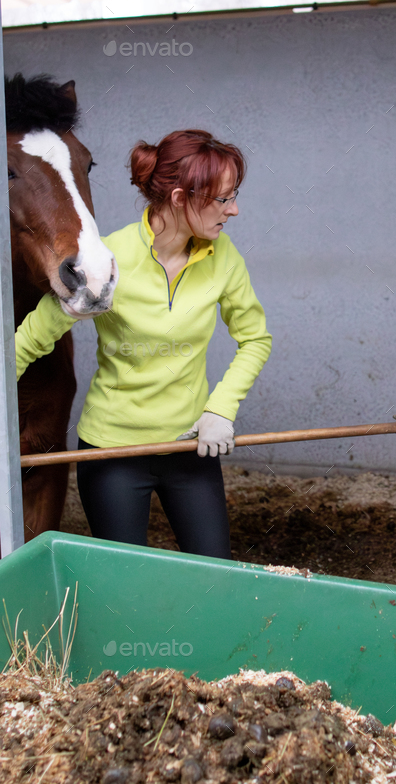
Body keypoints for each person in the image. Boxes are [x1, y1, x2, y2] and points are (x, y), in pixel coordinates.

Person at [14, 129, 272, 559]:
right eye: (223, 199)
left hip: (191, 445)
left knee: (216, 574)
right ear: (178, 198)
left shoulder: (223, 256)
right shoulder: (106, 262)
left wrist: (220, 410)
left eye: (233, 195)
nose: (235, 209)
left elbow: (255, 339)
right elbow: (29, 340)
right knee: (125, 582)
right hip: (113, 455)